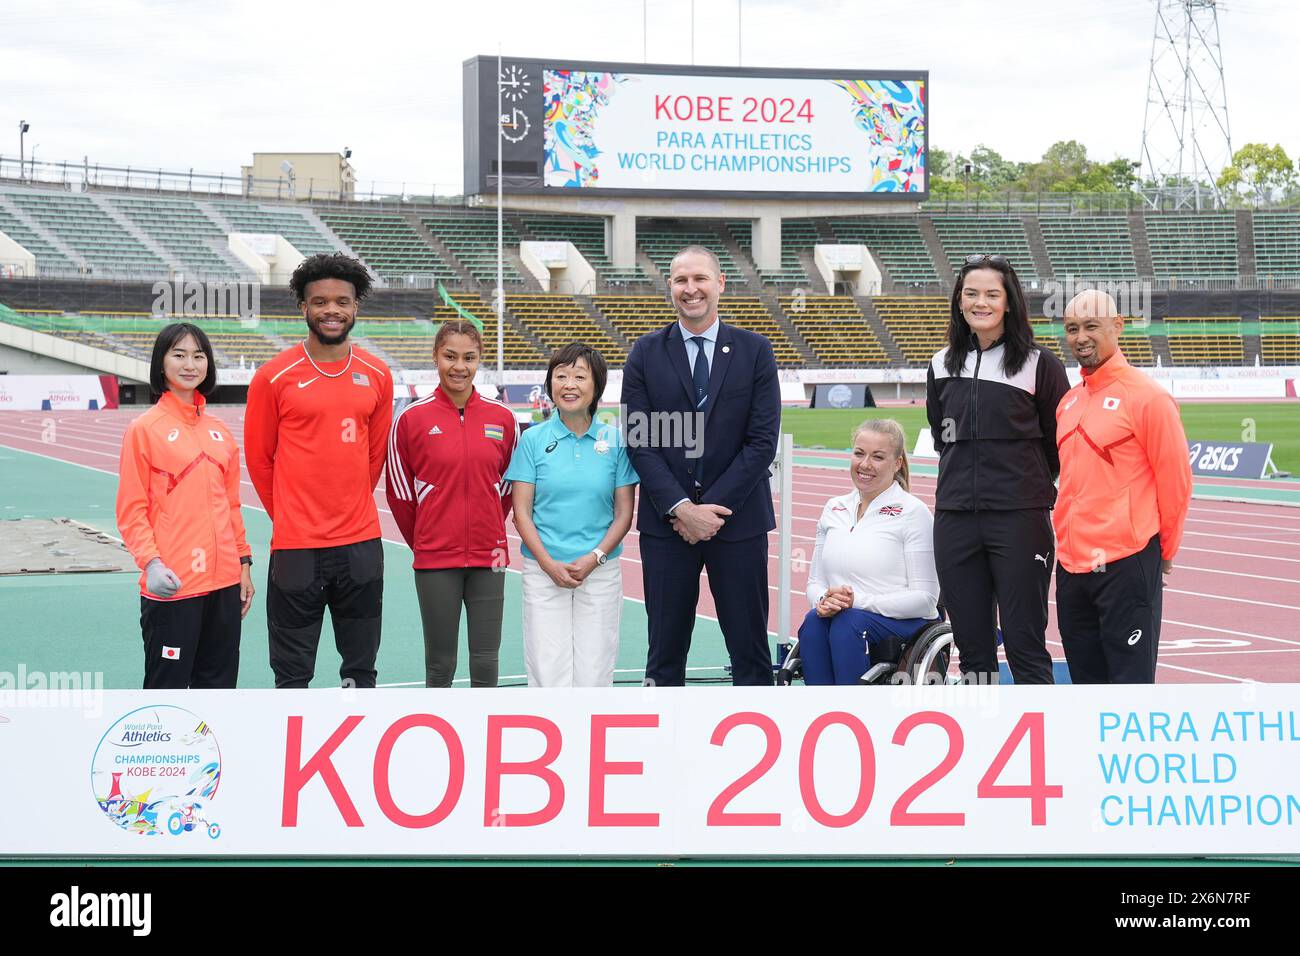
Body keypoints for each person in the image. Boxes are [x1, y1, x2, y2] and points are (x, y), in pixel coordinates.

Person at [621, 244, 781, 686]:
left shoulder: (755, 351)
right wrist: (680, 508)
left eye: (700, 279)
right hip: (667, 527)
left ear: (720, 284)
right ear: (669, 287)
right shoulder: (645, 353)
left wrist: (709, 511)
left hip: (738, 523)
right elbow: (640, 442)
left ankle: (759, 745)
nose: (690, 289)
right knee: (664, 655)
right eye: (680, 281)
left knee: (750, 653)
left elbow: (761, 443)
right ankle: (666, 748)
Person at [244, 253, 393, 689]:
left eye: (342, 301)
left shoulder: (377, 374)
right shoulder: (274, 377)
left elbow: (373, 457)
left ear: (355, 307)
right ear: (303, 308)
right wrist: (293, 516)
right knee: (292, 676)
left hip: (361, 545)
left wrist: (346, 507)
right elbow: (259, 459)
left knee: (360, 671)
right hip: (296, 548)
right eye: (320, 301)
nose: (332, 310)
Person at [925, 254, 1070, 685]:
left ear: (1009, 303)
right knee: (972, 650)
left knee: (1025, 644)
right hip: (954, 517)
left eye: (992, 294)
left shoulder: (1040, 364)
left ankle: (1040, 743)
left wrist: (1018, 482)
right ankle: (983, 739)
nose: (980, 302)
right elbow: (941, 433)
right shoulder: (940, 363)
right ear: (958, 301)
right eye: (971, 293)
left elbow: (1058, 441)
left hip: (1019, 518)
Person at [1055, 290, 1192, 683]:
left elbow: (1175, 481)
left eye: (1091, 326)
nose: (1081, 336)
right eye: (1072, 328)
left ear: (1118, 327)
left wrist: (1166, 550)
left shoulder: (1148, 398)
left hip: (1127, 560)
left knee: (1129, 687)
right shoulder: (1067, 403)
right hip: (1071, 565)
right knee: (1086, 684)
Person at [116, 322, 253, 688]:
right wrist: (152, 563)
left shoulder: (219, 431)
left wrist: (243, 564)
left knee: (219, 688)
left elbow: (232, 506)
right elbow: (131, 510)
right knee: (167, 691)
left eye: (198, 355)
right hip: (174, 584)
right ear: (161, 364)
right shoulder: (145, 428)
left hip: (223, 583)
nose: (189, 363)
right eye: (178, 355)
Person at [386, 320, 518, 687]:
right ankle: (437, 743)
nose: (459, 366)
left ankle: (483, 742)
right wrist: (429, 540)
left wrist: (487, 525)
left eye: (469, 358)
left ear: (480, 361)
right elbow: (400, 494)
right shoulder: (410, 419)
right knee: (440, 665)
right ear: (435, 357)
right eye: (450, 356)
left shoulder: (504, 419)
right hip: (435, 559)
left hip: (490, 558)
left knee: (486, 663)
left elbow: (508, 489)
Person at [505, 342, 638, 686]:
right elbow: (521, 513)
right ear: (550, 384)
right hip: (542, 571)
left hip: (600, 571)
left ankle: (589, 739)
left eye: (580, 376)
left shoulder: (616, 441)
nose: (569, 384)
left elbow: (624, 513)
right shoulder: (533, 440)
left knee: (595, 670)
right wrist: (549, 564)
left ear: (596, 387)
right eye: (560, 376)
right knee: (548, 671)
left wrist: (595, 556)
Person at [799, 420, 939, 685]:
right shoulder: (834, 507)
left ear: (897, 463)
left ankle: (856, 716)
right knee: (814, 622)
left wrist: (856, 602)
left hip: (904, 621)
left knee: (846, 624)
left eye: (878, 457)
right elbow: (814, 583)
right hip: (849, 616)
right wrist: (824, 600)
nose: (865, 465)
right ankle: (819, 715)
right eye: (859, 453)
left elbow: (926, 599)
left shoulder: (913, 512)